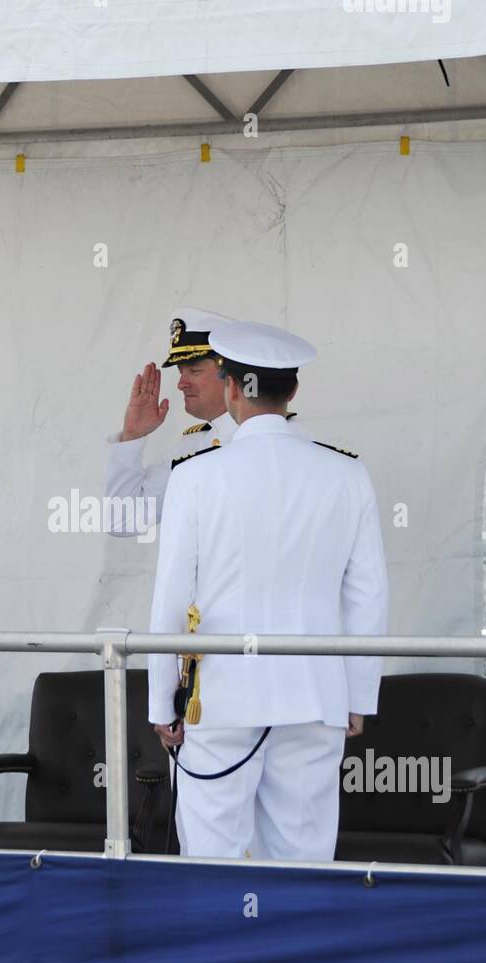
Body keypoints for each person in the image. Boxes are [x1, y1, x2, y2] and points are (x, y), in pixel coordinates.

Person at [147, 321, 389, 861]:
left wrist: (161, 699)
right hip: (315, 694)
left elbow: (170, 598)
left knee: (214, 858)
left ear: (231, 387)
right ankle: (297, 947)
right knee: (303, 858)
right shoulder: (346, 473)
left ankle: (224, 946)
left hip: (222, 697)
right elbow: (367, 595)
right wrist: (357, 694)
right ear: (293, 391)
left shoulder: (196, 475)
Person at [104, 307, 310, 536]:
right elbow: (121, 521)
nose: (181, 384)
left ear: (230, 376)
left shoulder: (288, 436)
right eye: (181, 372)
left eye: (194, 371)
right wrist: (132, 436)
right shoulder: (192, 445)